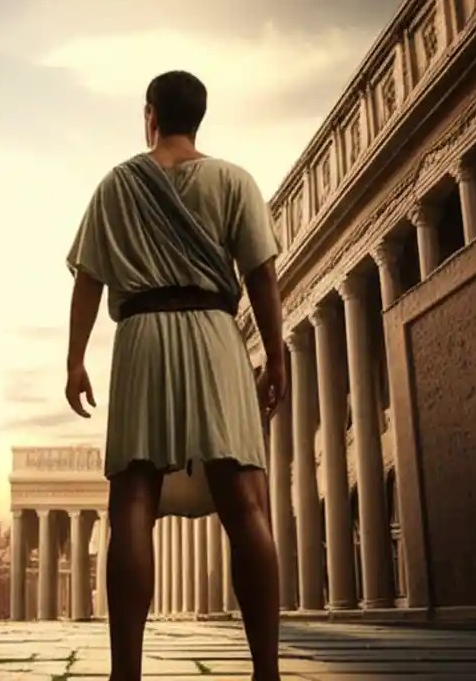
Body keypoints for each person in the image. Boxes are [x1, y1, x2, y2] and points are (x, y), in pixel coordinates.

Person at [63, 70, 286, 681]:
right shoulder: (234, 180)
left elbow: (89, 278)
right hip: (216, 336)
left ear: (150, 115)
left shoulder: (117, 184)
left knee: (133, 501)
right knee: (245, 504)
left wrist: (76, 357)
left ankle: (126, 675)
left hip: (142, 338)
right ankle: (266, 671)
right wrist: (276, 352)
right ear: (199, 117)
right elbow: (262, 277)